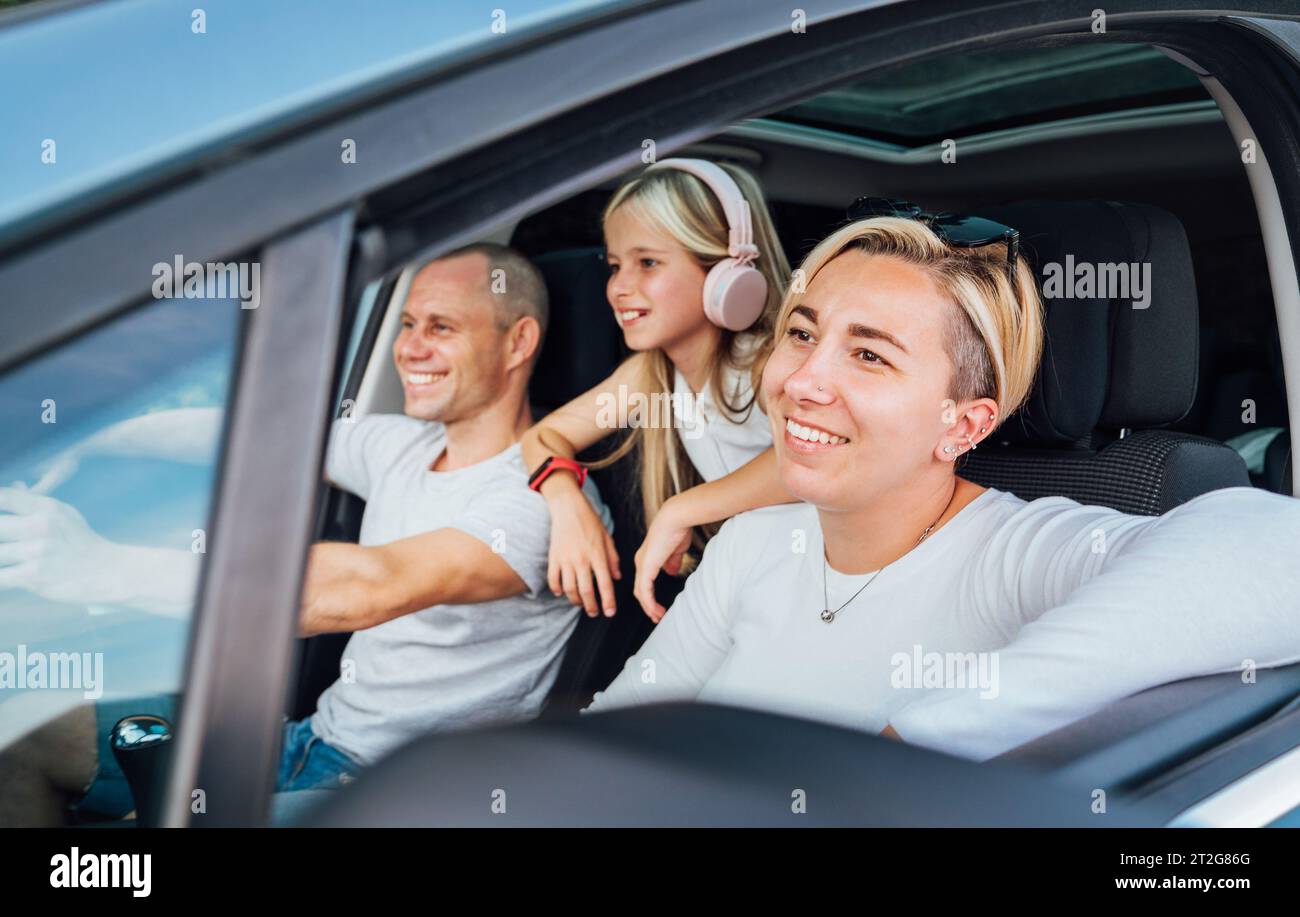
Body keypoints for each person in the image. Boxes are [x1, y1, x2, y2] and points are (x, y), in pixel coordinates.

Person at [585, 213, 1300, 760]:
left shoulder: (1009, 554)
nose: (801, 381)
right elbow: (608, 746)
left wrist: (904, 745)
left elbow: (1279, 552)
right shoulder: (750, 545)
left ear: (963, 426)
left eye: (869, 353)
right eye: (802, 334)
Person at [0, 243, 612, 825]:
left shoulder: (541, 504)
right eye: (406, 325)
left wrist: (100, 566)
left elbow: (364, 587)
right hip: (308, 738)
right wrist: (86, 435)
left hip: (396, 788)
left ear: (518, 342)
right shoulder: (401, 444)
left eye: (441, 328)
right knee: (22, 739)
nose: (411, 348)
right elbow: (249, 433)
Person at [520, 158, 793, 621]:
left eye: (647, 263)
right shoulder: (650, 376)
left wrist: (680, 509)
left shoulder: (772, 363)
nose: (618, 288)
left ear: (728, 272)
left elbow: (805, 457)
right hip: (752, 585)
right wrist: (566, 503)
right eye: (613, 266)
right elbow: (542, 437)